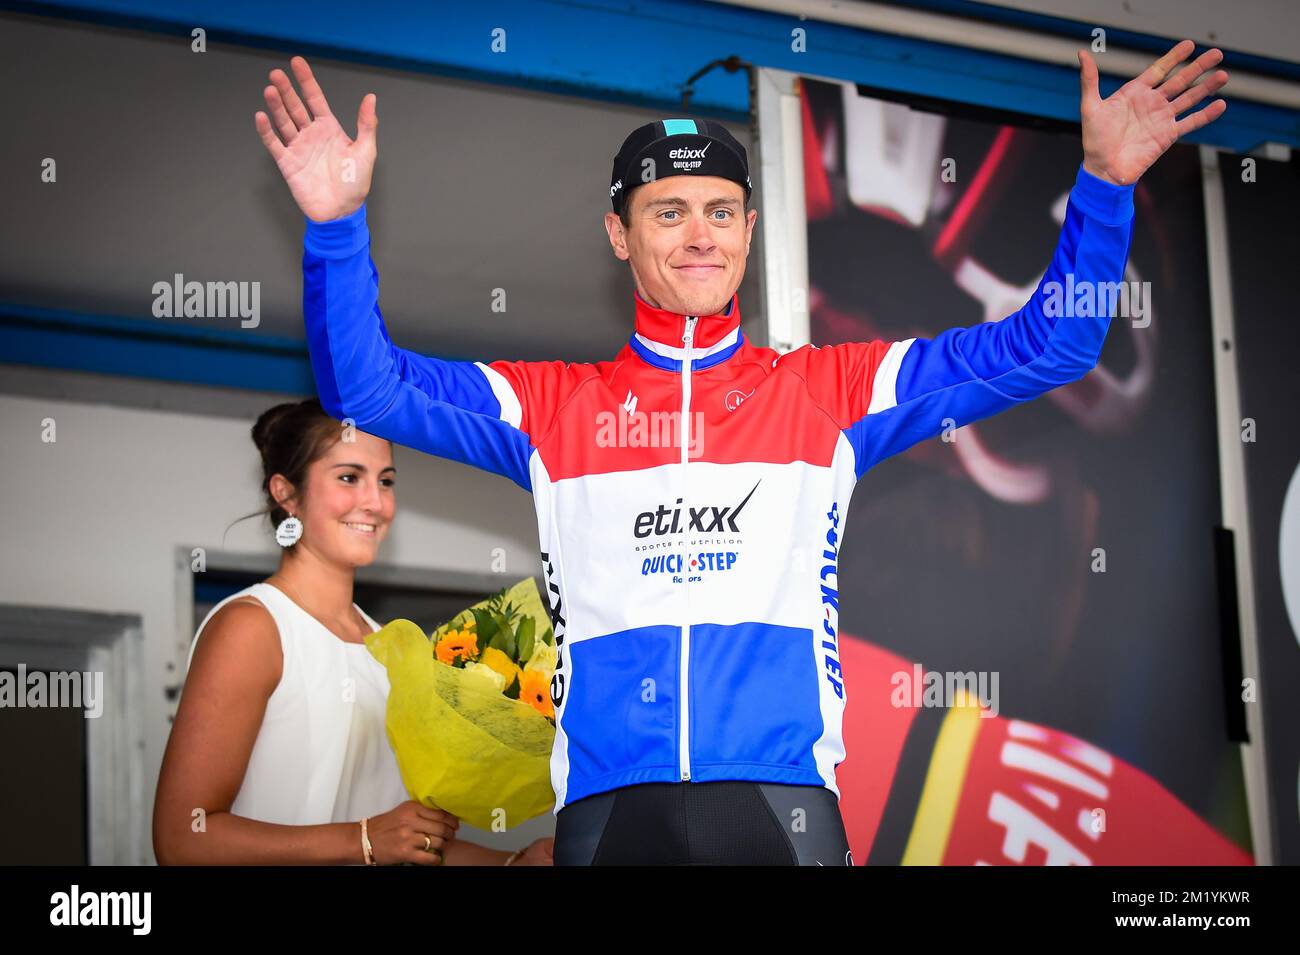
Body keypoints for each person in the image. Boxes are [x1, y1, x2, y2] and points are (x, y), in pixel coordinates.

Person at [253, 43, 1227, 865]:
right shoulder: (548, 406)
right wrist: (336, 226)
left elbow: (1049, 346)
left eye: (720, 211)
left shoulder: (829, 393)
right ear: (618, 234)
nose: (698, 236)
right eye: (667, 211)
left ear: (750, 231)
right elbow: (366, 390)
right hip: (607, 813)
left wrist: (1102, 188)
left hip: (779, 806)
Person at [152, 399, 553, 865]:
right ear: (286, 492)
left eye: (386, 481)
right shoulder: (254, 627)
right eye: (349, 477)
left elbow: (401, 838)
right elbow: (182, 838)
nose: (376, 502)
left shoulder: (389, 648)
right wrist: (362, 839)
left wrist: (510, 864)